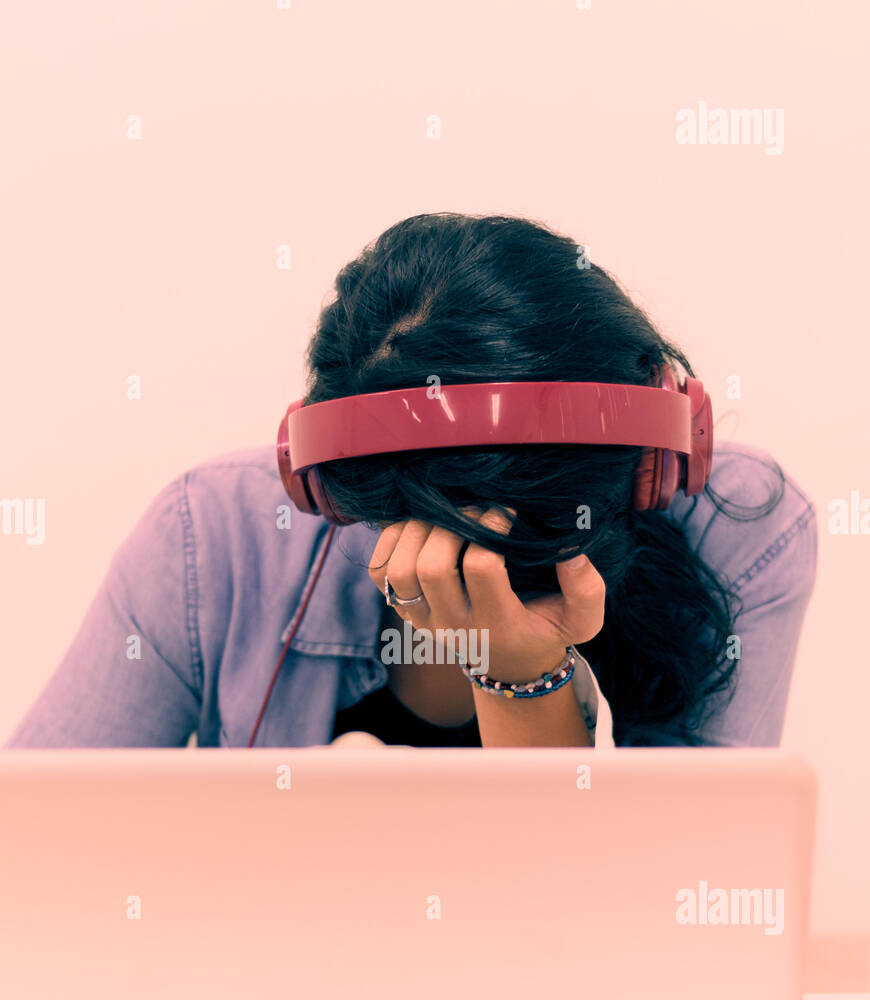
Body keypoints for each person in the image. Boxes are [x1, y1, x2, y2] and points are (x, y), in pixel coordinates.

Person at [4, 213, 817, 752]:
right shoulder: (211, 535)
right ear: (326, 489)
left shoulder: (740, 531)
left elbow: (649, 931)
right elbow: (37, 855)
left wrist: (519, 676)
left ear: (656, 471)